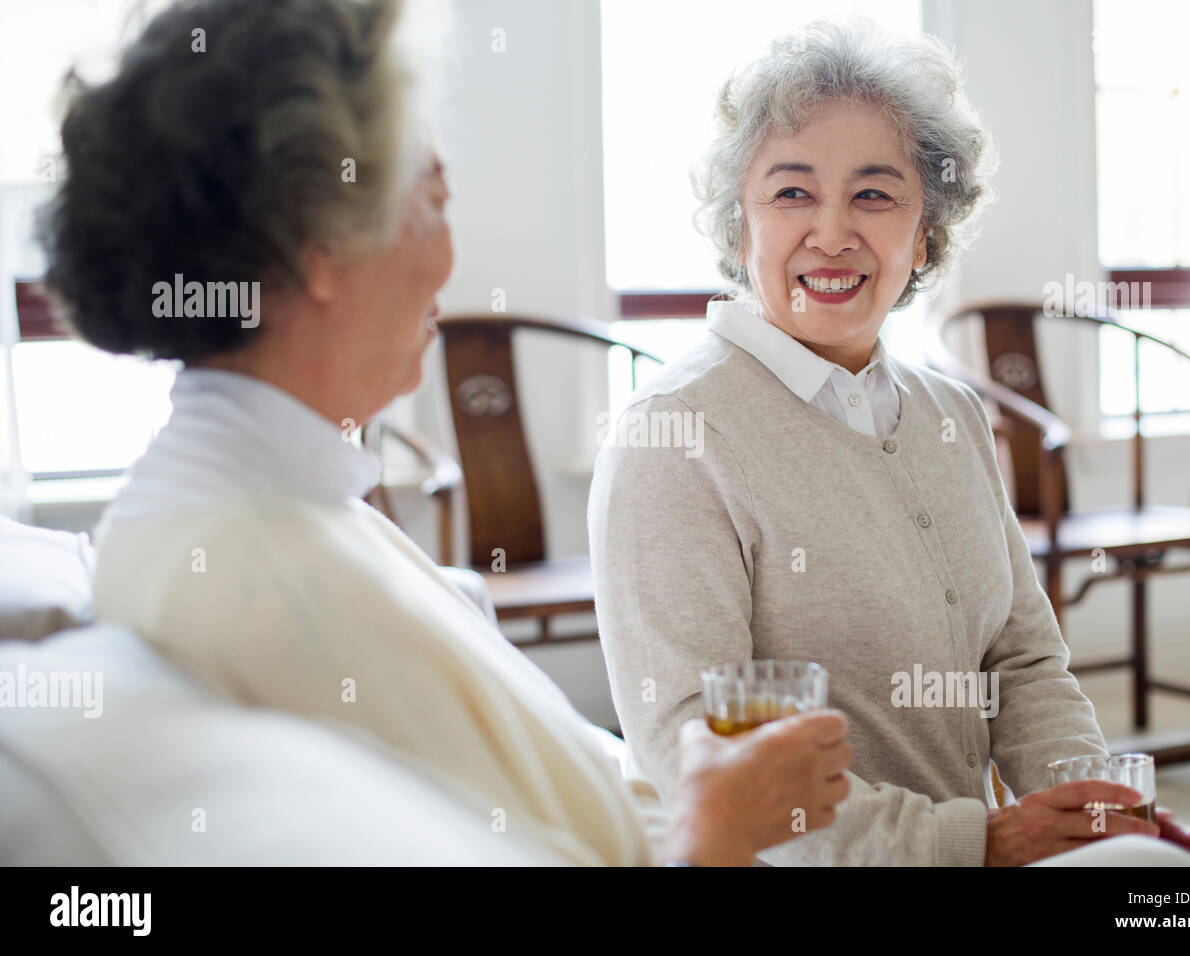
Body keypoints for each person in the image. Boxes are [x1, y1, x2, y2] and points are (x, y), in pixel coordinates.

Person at [35, 0, 853, 866]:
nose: (451, 257)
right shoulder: (257, 571)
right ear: (318, 244)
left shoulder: (275, 504)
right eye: (431, 193)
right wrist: (719, 829)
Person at [587, 19, 1190, 866]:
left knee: (1172, 886)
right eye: (792, 193)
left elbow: (1021, 657)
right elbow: (692, 750)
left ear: (926, 234)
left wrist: (1084, 806)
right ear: (741, 227)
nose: (835, 233)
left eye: (876, 195)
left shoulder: (950, 413)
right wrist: (977, 842)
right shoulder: (672, 437)